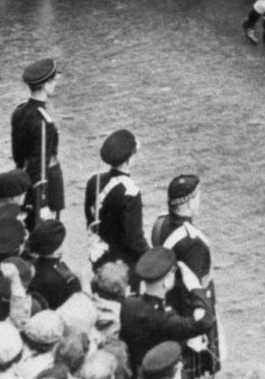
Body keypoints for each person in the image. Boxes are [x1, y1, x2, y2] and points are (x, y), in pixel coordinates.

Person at [150, 174, 218, 376]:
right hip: (189, 315)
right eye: (197, 197)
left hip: (168, 305)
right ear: (187, 204)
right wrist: (196, 333)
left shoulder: (160, 223)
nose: (200, 201)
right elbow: (193, 289)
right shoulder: (192, 241)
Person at [121, 250, 214, 376]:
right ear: (165, 282)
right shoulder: (166, 319)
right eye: (172, 274)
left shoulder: (128, 304)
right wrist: (195, 287)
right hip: (165, 372)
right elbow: (205, 321)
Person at [85, 128, 148, 270]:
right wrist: (151, 258)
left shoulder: (93, 180)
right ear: (129, 159)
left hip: (98, 256)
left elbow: (90, 219)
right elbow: (134, 240)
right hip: (122, 265)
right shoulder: (130, 192)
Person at [12, 57, 65, 225]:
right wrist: (42, 203)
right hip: (45, 185)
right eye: (54, 81)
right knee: (48, 232)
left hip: (22, 179)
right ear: (46, 84)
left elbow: (19, 155)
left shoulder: (19, 111)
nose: (55, 85)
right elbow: (39, 168)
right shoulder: (43, 122)